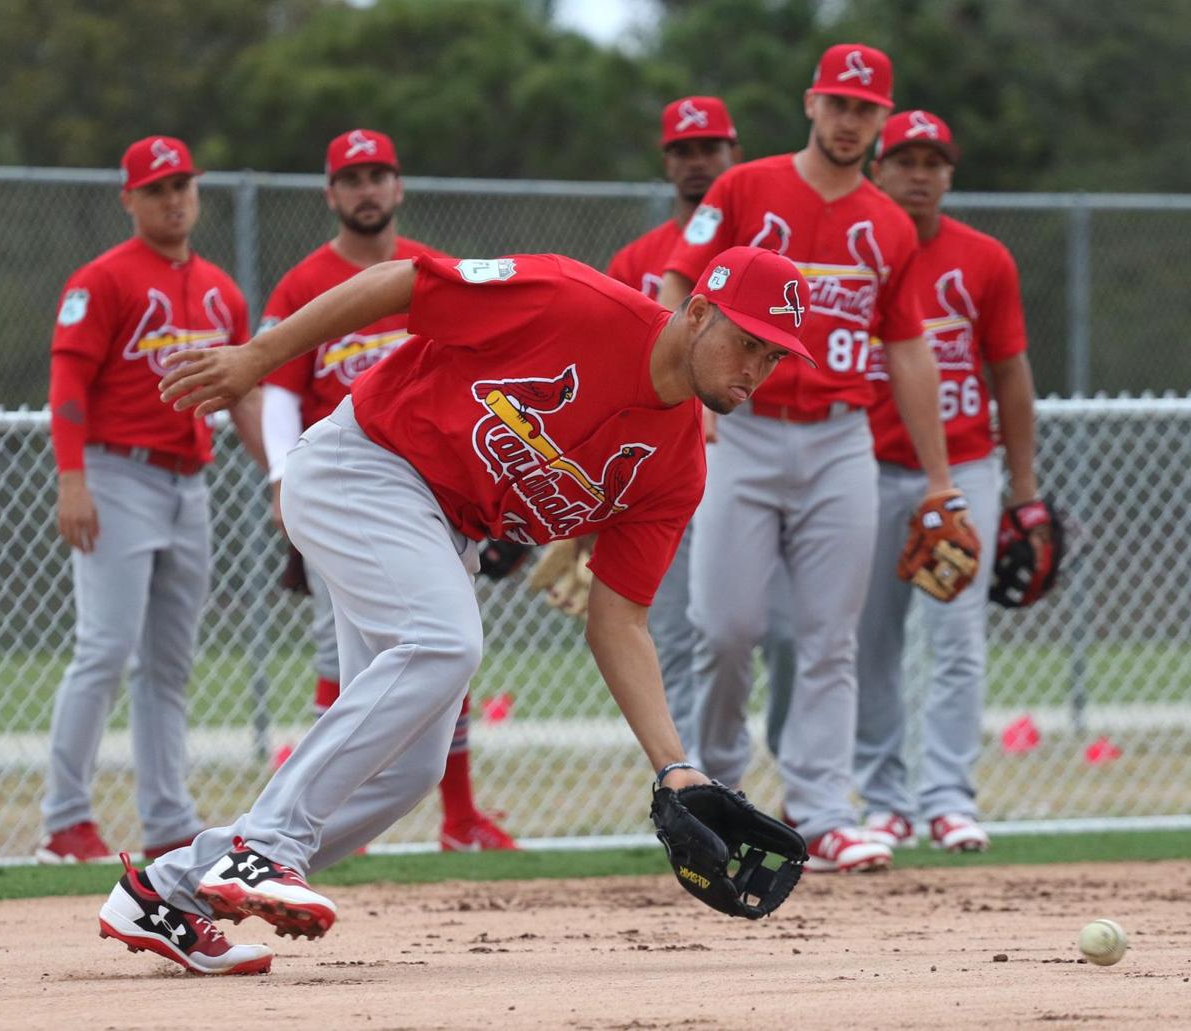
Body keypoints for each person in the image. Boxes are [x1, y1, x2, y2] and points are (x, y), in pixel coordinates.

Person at [96, 243, 816, 975]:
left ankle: (167, 892)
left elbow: (618, 620)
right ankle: (265, 850)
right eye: (747, 343)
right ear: (697, 312)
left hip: (439, 532)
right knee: (444, 640)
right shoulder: (573, 300)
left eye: (774, 357)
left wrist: (674, 767)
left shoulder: (677, 467)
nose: (755, 371)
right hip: (364, 461)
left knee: (408, 770)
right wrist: (260, 356)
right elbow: (401, 281)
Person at [658, 44, 964, 873]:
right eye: (838, 103)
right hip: (743, 429)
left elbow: (907, 352)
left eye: (866, 108)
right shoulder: (743, 187)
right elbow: (675, 285)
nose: (849, 120)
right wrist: (683, 403)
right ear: (811, 104)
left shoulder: (891, 223)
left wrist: (939, 479)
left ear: (881, 117)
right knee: (725, 628)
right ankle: (708, 793)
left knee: (831, 636)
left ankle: (824, 807)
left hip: (840, 438)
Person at [260, 128, 515, 852]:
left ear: (398, 187)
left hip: (433, 492)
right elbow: (279, 390)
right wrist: (281, 476)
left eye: (379, 175)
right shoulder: (304, 282)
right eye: (353, 177)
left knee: (444, 649)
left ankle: (458, 817)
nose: (367, 188)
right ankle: (326, 815)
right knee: (347, 661)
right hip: (347, 488)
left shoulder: (434, 271)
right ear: (331, 194)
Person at [41, 136, 264, 864]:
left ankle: (168, 818)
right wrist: (72, 478)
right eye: (158, 188)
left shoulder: (221, 291)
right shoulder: (103, 279)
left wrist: (279, 478)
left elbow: (245, 395)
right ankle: (66, 818)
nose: (175, 199)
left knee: (169, 662)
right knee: (104, 649)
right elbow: (68, 382)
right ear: (130, 198)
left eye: (184, 186)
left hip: (188, 482)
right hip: (116, 473)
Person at [852, 110, 1037, 853]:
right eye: (905, 161)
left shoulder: (984, 259)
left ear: (950, 175)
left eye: (934, 163)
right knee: (869, 640)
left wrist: (1024, 490)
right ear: (876, 169)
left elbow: (1011, 375)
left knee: (956, 636)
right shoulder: (856, 250)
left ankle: (949, 797)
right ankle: (886, 799)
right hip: (861, 465)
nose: (920, 176)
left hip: (961, 467)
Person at [606, 96, 797, 754]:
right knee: (678, 634)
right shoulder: (638, 261)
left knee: (782, 630)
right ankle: (692, 785)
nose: (697, 162)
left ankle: (783, 771)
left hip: (742, 456)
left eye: (710, 149)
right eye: (684, 151)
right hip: (660, 468)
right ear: (667, 163)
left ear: (732, 155)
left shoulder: (761, 258)